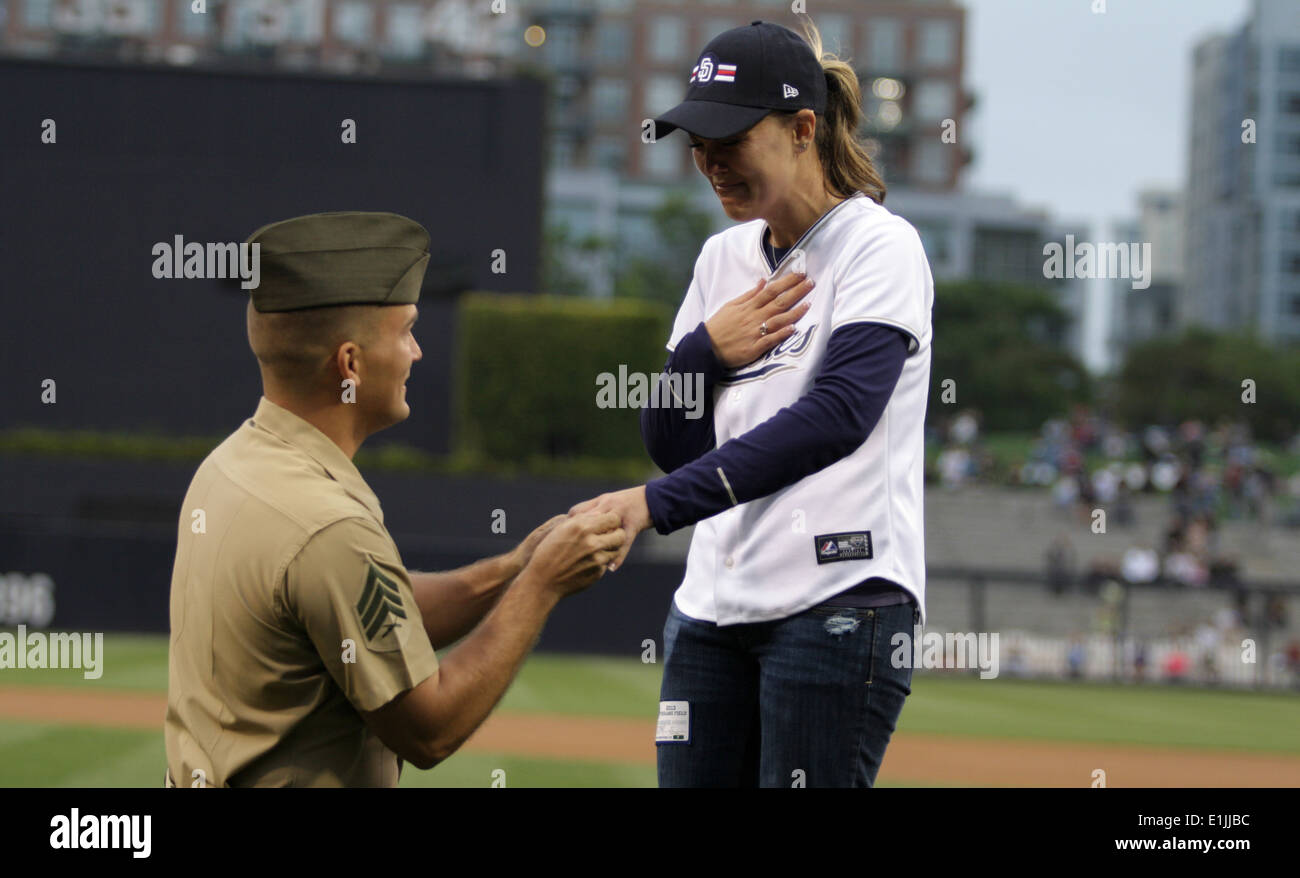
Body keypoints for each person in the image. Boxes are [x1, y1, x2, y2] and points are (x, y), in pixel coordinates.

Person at [572, 20, 933, 787]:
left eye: (729, 139)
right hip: (711, 606)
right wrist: (703, 351)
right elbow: (671, 441)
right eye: (697, 142)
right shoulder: (722, 258)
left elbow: (837, 416)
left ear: (804, 128)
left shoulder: (881, 247)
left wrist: (655, 506)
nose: (709, 161)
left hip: (838, 599)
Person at [164, 211, 625, 787]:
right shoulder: (327, 527)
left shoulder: (231, 465)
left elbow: (370, 618)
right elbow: (428, 730)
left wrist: (510, 569)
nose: (417, 351)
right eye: (406, 330)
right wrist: (543, 585)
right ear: (351, 364)